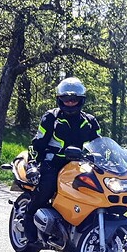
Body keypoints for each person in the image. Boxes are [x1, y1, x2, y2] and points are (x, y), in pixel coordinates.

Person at [24, 76, 103, 240]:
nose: (70, 102)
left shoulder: (90, 121)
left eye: (73, 99)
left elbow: (100, 145)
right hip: (53, 163)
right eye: (66, 99)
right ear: (60, 99)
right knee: (47, 187)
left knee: (95, 190)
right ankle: (29, 219)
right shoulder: (51, 118)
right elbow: (38, 142)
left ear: (80, 100)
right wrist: (34, 164)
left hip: (80, 166)